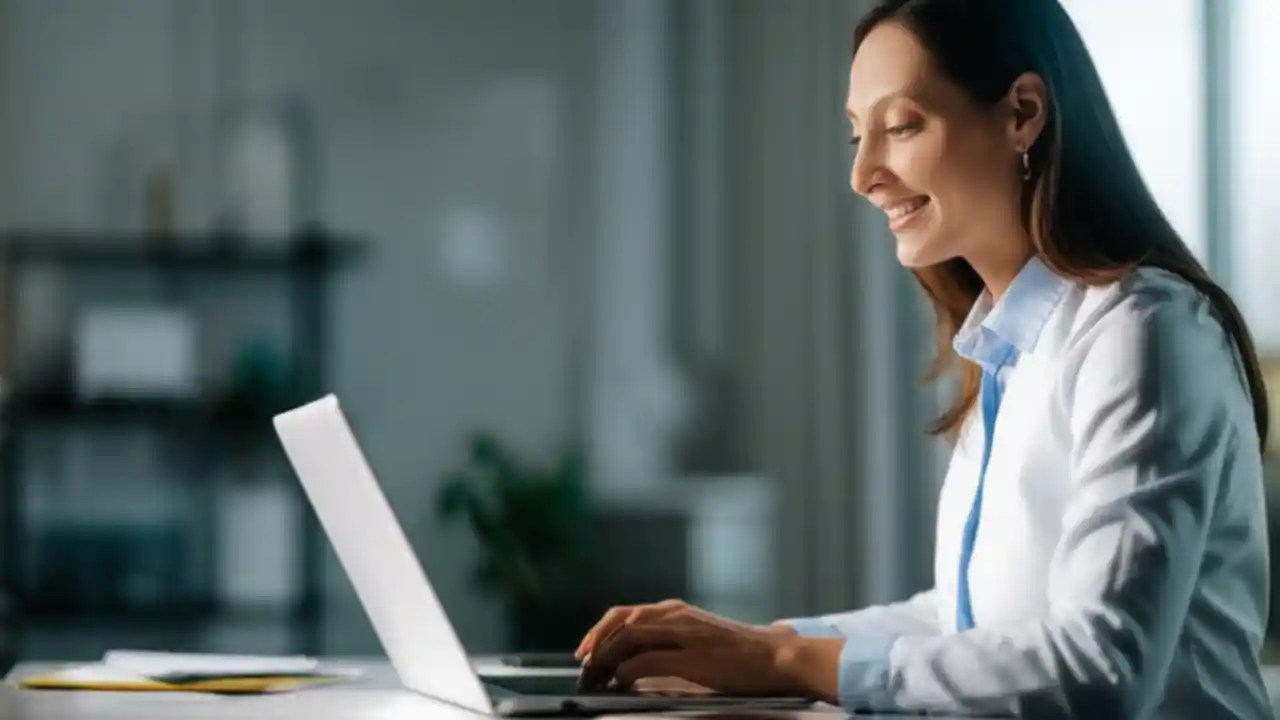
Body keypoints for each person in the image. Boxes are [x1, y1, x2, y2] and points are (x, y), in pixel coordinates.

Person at [572, 0, 1273, 717]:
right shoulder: (1008, 347)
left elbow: (1100, 667)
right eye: (855, 136)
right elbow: (972, 621)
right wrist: (750, 645)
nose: (864, 174)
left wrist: (787, 659)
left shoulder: (1143, 329)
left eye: (900, 126)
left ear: (1022, 113)